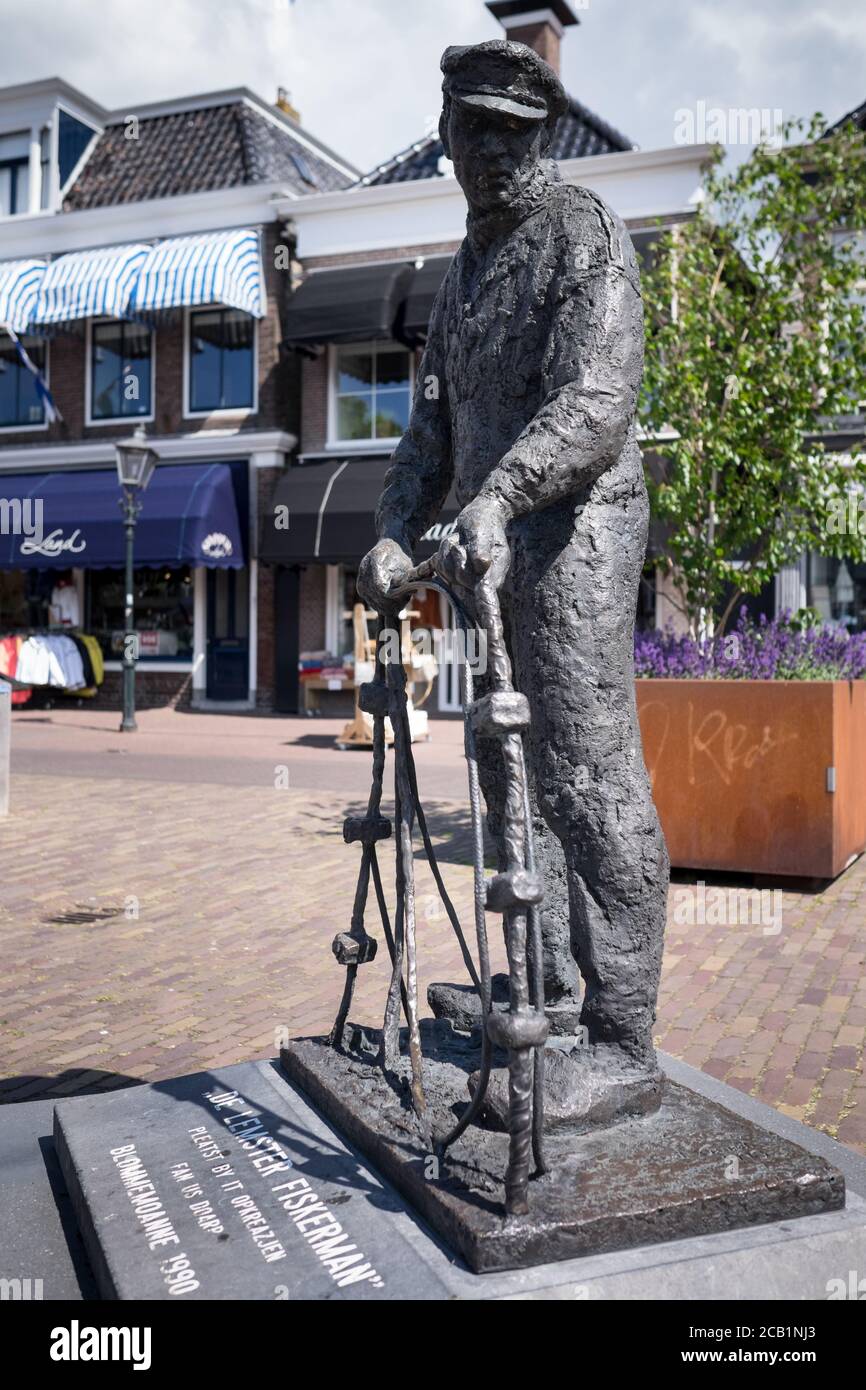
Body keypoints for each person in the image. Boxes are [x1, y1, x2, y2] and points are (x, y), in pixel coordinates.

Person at [358, 38, 669, 1125]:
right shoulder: (462, 272)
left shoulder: (582, 234)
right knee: (505, 769)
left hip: (573, 528)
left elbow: (596, 398)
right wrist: (398, 530)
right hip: (488, 541)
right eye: (474, 130)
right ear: (443, 137)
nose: (493, 153)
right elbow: (431, 425)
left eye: (514, 134)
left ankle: (622, 1039)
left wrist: (497, 496)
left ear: (540, 138)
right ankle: (538, 987)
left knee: (584, 771)